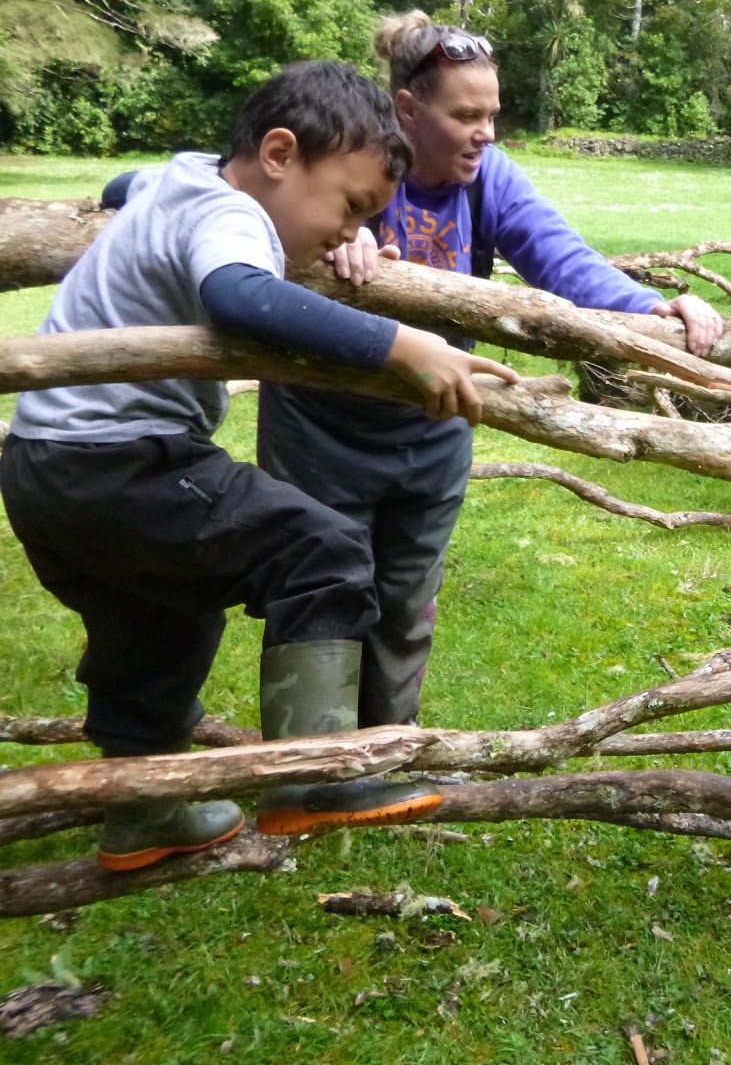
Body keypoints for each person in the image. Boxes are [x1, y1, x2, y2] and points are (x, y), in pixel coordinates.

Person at [0, 62, 519, 869]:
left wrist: (131, 190)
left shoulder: (178, 181)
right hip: (124, 457)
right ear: (279, 153)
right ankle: (312, 777)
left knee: (161, 619)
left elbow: (121, 181)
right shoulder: (231, 213)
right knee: (323, 550)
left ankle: (144, 809)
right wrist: (404, 344)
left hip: (42, 472)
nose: (350, 236)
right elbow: (243, 295)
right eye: (350, 208)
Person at [254, 12, 724, 750]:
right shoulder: (342, 158)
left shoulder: (489, 180)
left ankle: (387, 754)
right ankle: (306, 767)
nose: (487, 133)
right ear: (407, 109)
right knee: (318, 585)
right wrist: (343, 227)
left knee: (407, 599)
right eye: (465, 115)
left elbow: (560, 259)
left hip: (435, 426)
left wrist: (650, 308)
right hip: (320, 429)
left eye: (493, 115)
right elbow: (235, 192)